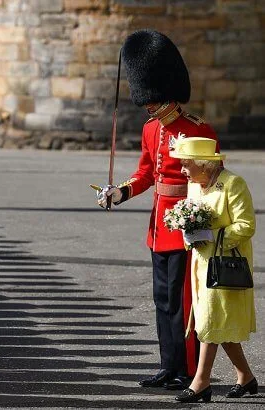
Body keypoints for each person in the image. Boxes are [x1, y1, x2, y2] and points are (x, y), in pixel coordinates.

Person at [96, 30, 219, 390]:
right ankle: (168, 365)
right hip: (157, 228)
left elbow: (210, 179)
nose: (148, 106)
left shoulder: (197, 129)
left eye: (151, 99)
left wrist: (198, 217)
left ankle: (188, 369)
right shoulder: (152, 129)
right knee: (162, 300)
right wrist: (120, 192)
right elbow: (147, 173)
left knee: (184, 303)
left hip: (186, 226)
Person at [168, 138, 258, 403]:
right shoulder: (194, 185)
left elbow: (246, 225)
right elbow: (189, 220)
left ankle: (201, 381)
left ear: (204, 165)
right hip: (201, 262)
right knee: (218, 322)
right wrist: (188, 233)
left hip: (227, 264)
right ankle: (246, 376)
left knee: (209, 322)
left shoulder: (233, 184)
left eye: (186, 165)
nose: (183, 170)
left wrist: (214, 235)